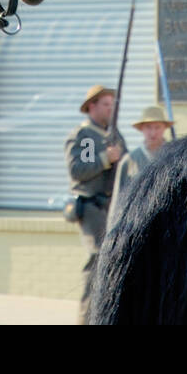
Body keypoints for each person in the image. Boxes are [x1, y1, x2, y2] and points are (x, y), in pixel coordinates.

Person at [65, 84, 126, 323]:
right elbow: (77, 170)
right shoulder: (83, 136)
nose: (110, 109)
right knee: (98, 259)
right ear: (92, 106)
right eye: (105, 104)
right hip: (91, 207)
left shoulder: (114, 134)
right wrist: (105, 158)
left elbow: (126, 163)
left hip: (112, 207)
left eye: (112, 104)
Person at [107, 104, 172, 228]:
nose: (153, 132)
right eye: (148, 127)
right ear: (142, 129)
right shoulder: (130, 161)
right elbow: (118, 199)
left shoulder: (175, 156)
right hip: (137, 224)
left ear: (164, 128)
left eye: (157, 127)